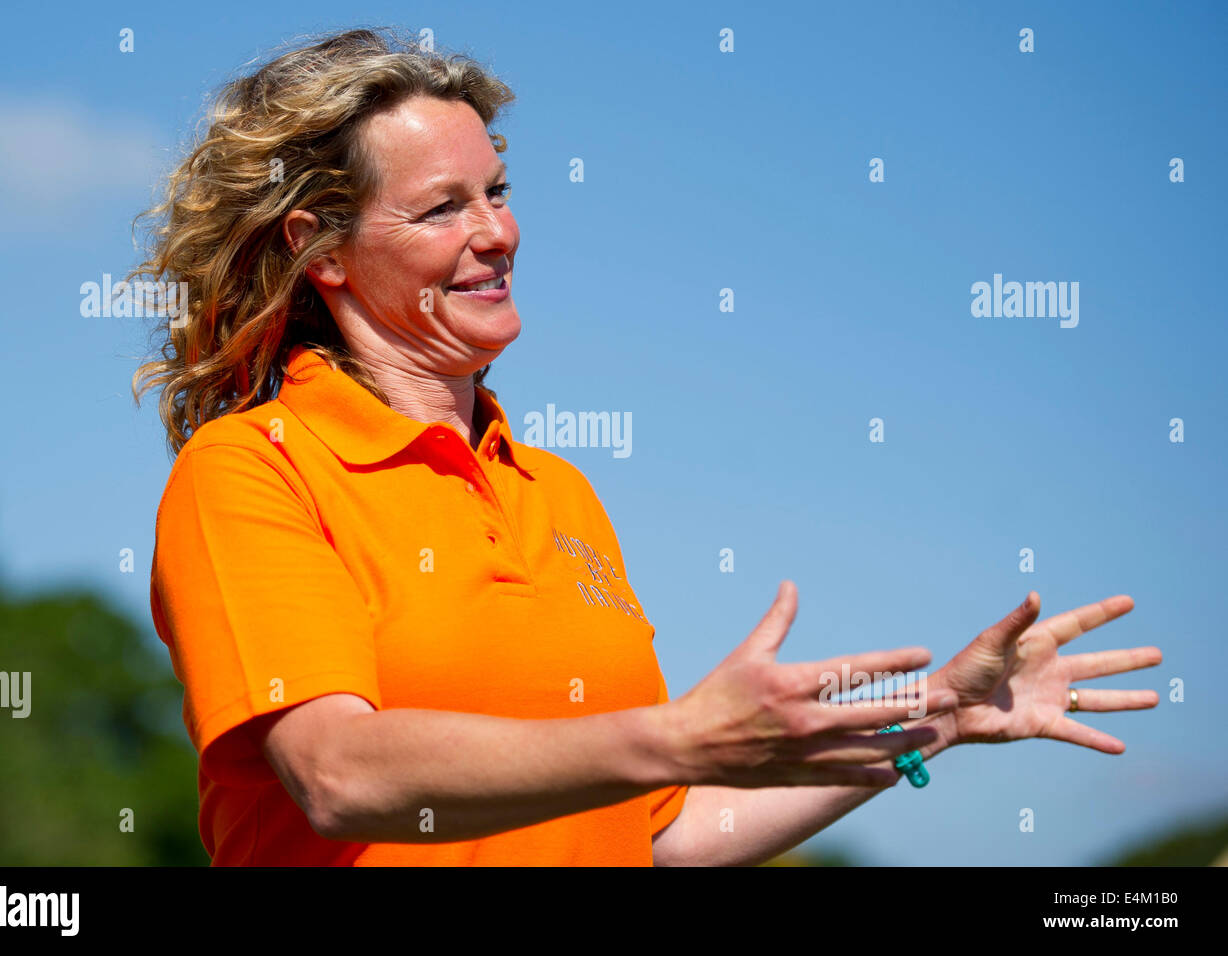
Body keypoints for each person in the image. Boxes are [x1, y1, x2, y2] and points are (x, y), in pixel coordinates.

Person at [133, 27, 1163, 867]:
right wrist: (673, 733)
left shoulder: (558, 491)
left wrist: (928, 718)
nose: (496, 232)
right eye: (442, 207)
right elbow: (339, 774)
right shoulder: (251, 467)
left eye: (497, 190)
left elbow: (663, 829)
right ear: (324, 254)